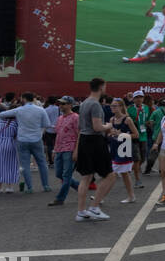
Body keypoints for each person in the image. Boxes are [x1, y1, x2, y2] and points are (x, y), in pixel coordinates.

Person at [75, 78, 117, 220]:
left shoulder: (84, 103)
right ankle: (94, 207)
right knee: (110, 175)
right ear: (101, 87)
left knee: (86, 177)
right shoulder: (95, 105)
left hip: (85, 140)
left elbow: (82, 127)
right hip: (95, 141)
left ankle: (81, 211)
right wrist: (109, 126)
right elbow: (97, 127)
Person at [0, 92, 53, 194]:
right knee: (42, 163)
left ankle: (30, 187)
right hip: (36, 138)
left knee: (25, 165)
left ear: (24, 99)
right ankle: (46, 185)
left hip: (22, 139)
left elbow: (1, 114)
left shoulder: (19, 110)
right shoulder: (41, 110)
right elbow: (47, 124)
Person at [48, 97, 81, 206]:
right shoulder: (60, 118)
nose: (61, 106)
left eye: (64, 104)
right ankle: (81, 188)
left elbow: (79, 134)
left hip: (70, 149)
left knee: (66, 175)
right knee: (59, 173)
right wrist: (54, 150)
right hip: (59, 149)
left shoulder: (76, 117)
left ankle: (60, 198)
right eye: (60, 104)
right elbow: (58, 135)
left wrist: (76, 150)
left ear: (70, 105)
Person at [0, 110, 19, 194]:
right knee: (10, 164)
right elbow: (16, 135)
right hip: (10, 143)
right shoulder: (15, 123)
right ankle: (9, 187)